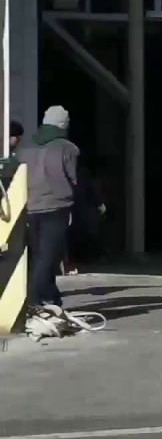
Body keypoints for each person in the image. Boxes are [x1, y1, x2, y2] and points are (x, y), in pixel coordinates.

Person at [17, 105, 79, 308]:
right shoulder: (68, 148)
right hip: (57, 207)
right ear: (63, 124)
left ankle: (52, 298)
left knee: (40, 256)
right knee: (49, 257)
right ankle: (33, 300)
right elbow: (74, 179)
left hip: (31, 207)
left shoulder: (26, 148)